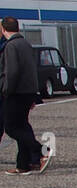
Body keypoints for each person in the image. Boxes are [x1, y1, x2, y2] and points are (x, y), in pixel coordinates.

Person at [0, 17, 47, 174]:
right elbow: (32, 70)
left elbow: (12, 72)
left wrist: (6, 91)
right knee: (23, 127)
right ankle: (23, 165)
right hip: (28, 92)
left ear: (3, 29)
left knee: (12, 128)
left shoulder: (11, 46)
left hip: (16, 92)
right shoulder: (26, 44)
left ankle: (41, 150)